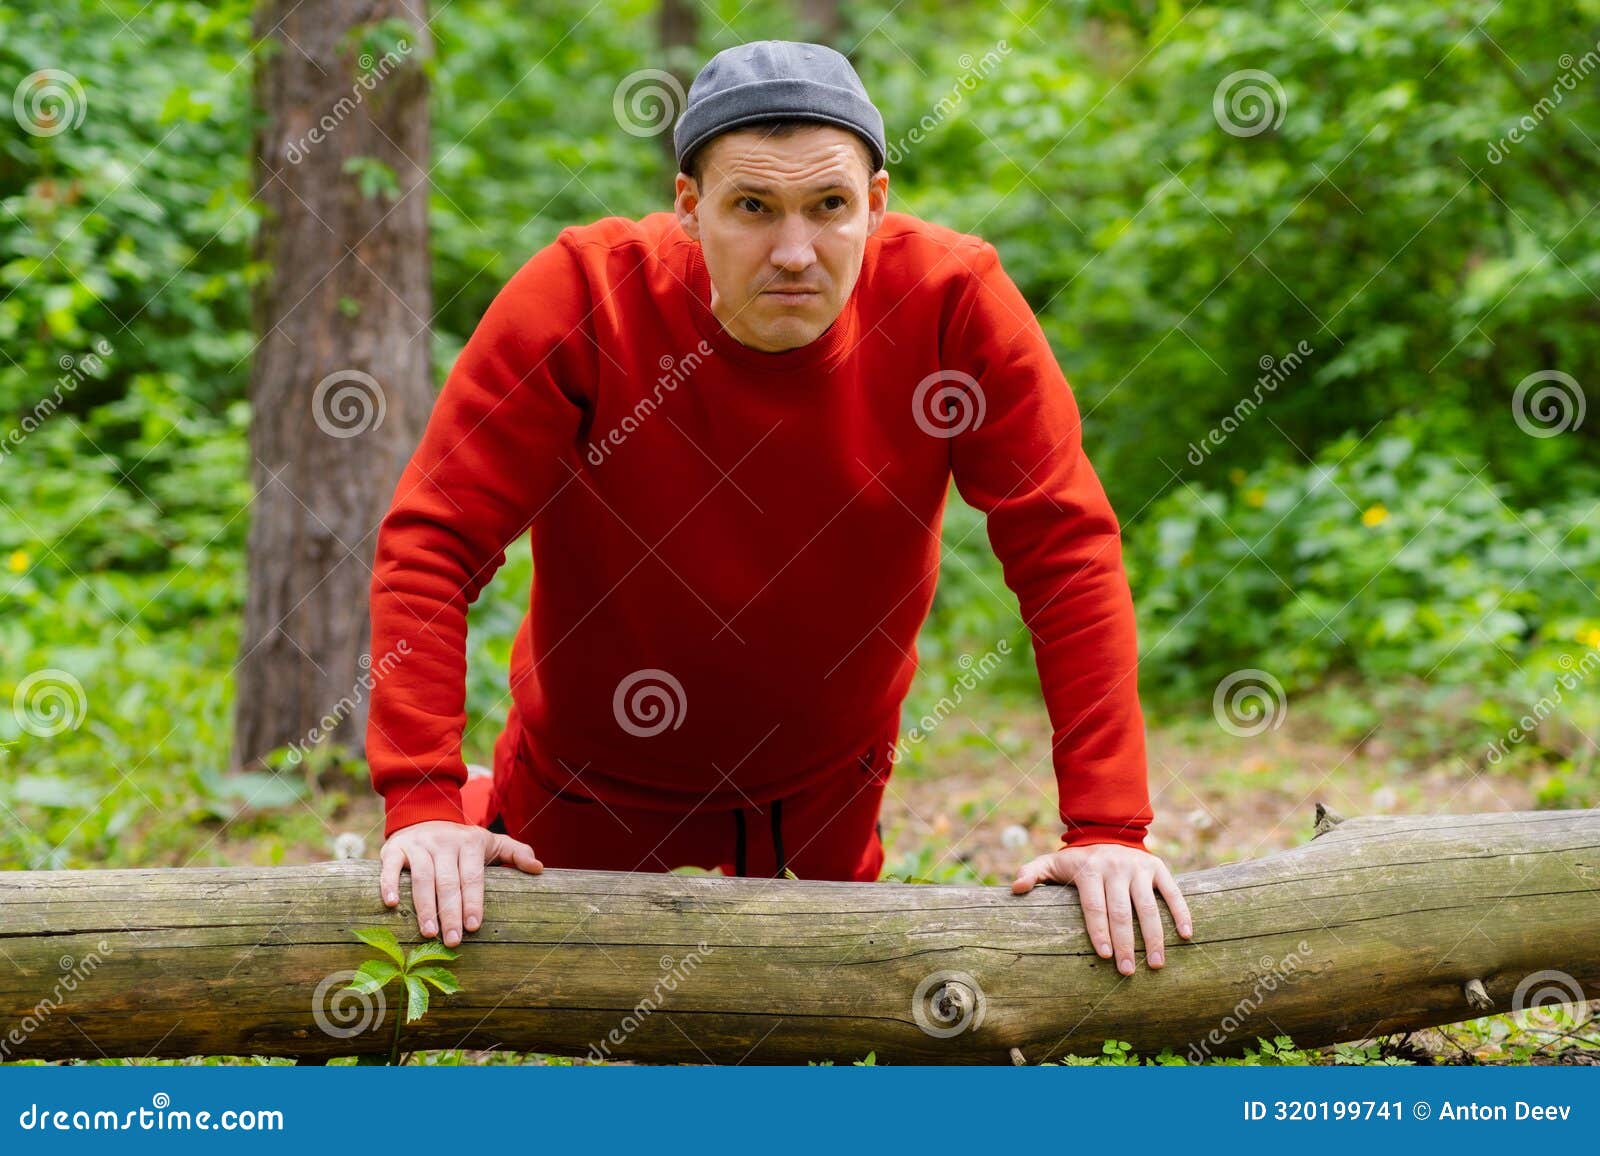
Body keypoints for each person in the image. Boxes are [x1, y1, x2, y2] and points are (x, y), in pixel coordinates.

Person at [368, 39, 1193, 978]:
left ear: (875, 205)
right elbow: (435, 537)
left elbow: (1065, 551)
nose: (795, 252)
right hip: (586, 787)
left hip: (826, 796)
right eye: (753, 208)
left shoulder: (952, 300)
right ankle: (478, 803)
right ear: (690, 207)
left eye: (830, 207)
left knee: (824, 1053)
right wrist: (424, 805)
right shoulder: (584, 294)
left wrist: (1109, 826)